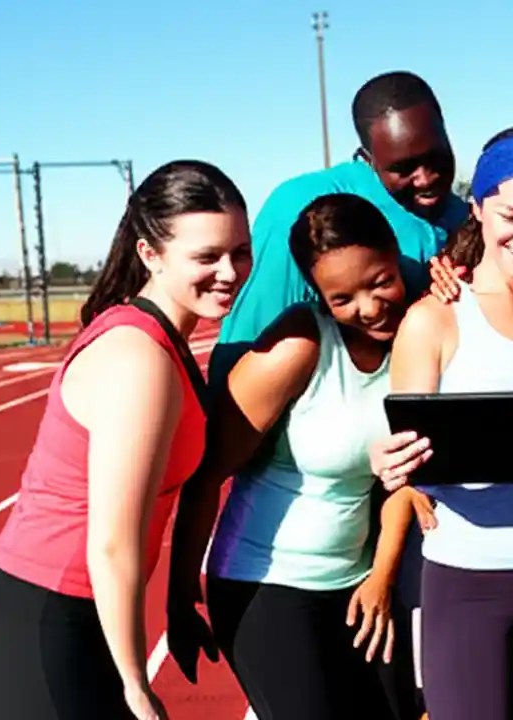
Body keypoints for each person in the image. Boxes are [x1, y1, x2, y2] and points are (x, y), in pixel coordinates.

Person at [0, 160, 253, 719]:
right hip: (39, 619)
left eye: (239, 250)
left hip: (66, 615)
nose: (230, 271)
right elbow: (113, 541)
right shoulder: (140, 358)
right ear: (150, 255)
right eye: (206, 257)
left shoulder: (160, 341)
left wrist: (178, 600)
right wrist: (134, 683)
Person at [167, 193, 432, 720]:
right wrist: (179, 598)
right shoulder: (297, 345)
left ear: (395, 258)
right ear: (320, 296)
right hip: (266, 584)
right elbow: (206, 475)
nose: (370, 306)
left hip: (356, 583)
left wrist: (379, 576)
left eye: (381, 281)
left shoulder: (421, 332)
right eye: (343, 297)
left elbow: (404, 477)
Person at [371, 127, 513, 720]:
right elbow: (403, 454)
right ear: (477, 205)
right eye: (511, 215)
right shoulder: (436, 320)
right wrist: (390, 465)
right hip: (470, 582)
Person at [213, 70, 468, 385]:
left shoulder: (471, 217)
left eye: (436, 157)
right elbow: (245, 352)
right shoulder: (298, 206)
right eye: (402, 168)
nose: (426, 178)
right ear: (367, 158)